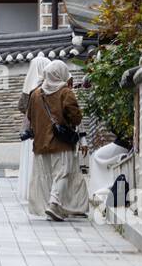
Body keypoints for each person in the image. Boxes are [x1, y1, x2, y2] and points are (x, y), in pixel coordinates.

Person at [25, 59, 89, 221]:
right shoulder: (65, 92)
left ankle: (55, 205)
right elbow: (76, 118)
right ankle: (54, 204)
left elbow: (30, 117)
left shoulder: (35, 94)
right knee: (62, 174)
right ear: (61, 73)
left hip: (40, 144)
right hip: (61, 143)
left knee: (47, 176)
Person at [16, 54, 50, 207]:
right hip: (41, 130)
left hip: (28, 130)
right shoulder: (45, 88)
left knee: (29, 161)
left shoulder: (29, 87)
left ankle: (30, 192)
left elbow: (21, 106)